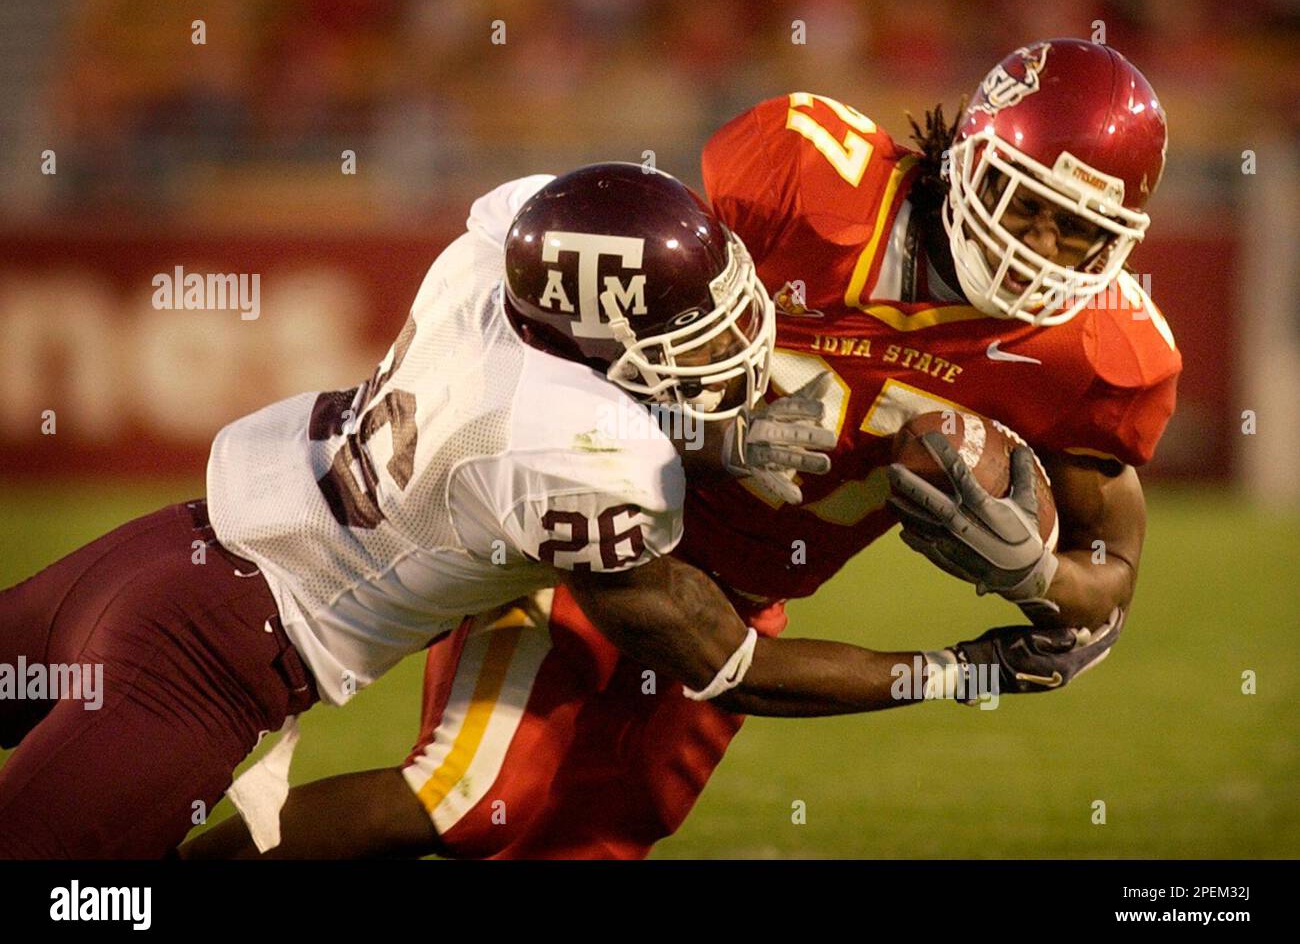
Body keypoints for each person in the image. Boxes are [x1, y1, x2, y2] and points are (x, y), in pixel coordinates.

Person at [183, 39, 1179, 860]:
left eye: (1079, 233)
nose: (1042, 249)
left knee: (596, 838)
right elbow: (602, 319)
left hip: (745, 593)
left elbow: (1110, 567)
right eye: (1029, 205)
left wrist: (1041, 572)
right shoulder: (807, 179)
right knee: (471, 799)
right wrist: (707, 433)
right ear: (967, 153)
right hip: (587, 529)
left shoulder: (1099, 350)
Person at [0, 163, 841, 858]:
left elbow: (545, 258)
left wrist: (705, 434)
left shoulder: (480, 270)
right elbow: (725, 660)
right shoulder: (579, 446)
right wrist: (948, 669)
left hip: (158, 550)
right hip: (211, 662)